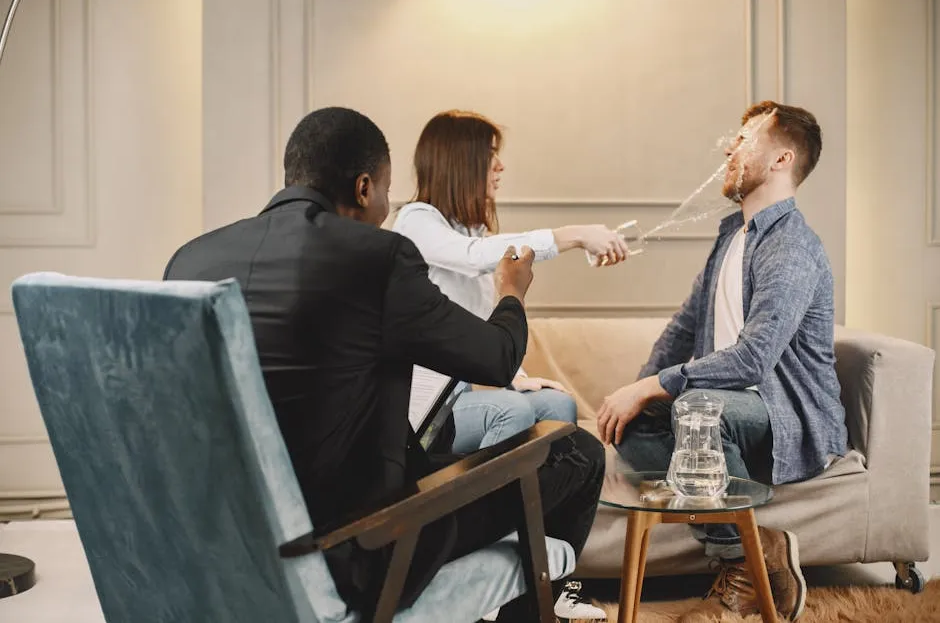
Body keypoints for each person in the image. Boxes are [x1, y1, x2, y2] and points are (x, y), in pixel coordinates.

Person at [163, 107, 606, 622]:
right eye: (386, 192)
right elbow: (496, 356)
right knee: (575, 452)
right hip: (362, 546)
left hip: (224, 543)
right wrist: (512, 294)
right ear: (363, 187)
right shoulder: (378, 258)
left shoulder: (191, 261)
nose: (388, 206)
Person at [596, 101, 847, 621]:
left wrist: (655, 388)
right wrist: (636, 392)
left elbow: (754, 360)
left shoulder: (793, 246)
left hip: (785, 417)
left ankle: (744, 568)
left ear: (780, 160)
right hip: (722, 411)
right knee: (639, 422)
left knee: (695, 406)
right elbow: (684, 329)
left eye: (746, 138)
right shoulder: (732, 236)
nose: (730, 148)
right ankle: (762, 542)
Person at [393, 109, 630, 454]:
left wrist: (517, 377)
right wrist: (575, 235)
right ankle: (488, 510)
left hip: (459, 398)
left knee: (557, 404)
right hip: (421, 416)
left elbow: (477, 325)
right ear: (462, 161)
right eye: (491, 156)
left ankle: (547, 507)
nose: (500, 167)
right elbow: (472, 256)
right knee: (511, 411)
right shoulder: (415, 221)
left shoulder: (469, 231)